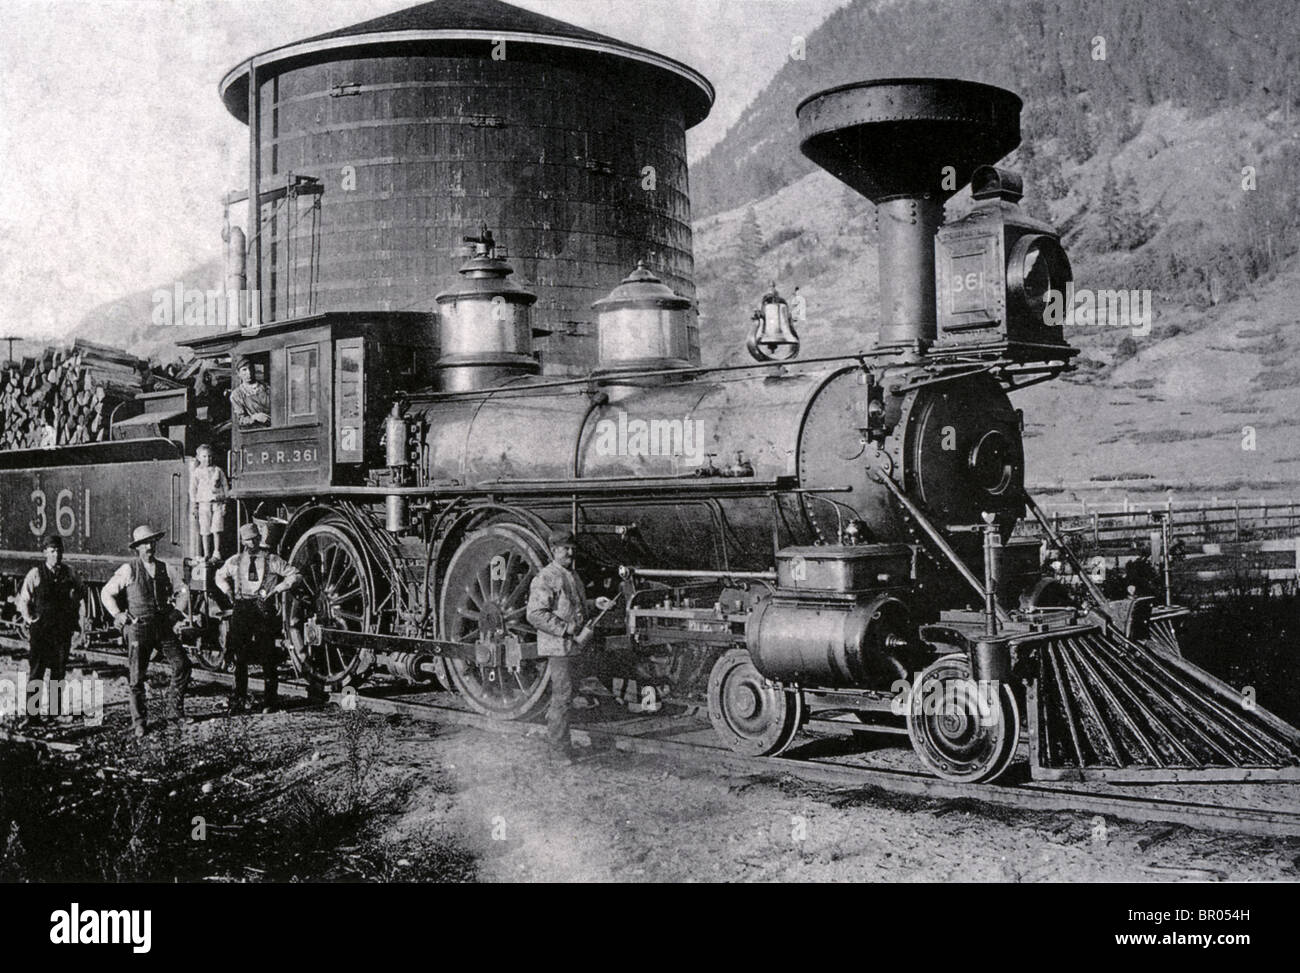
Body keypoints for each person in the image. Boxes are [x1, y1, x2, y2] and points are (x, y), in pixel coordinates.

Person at [525, 530, 613, 761]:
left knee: (569, 695)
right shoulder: (546, 577)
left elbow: (575, 606)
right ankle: (559, 752)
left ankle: (564, 745)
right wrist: (567, 629)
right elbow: (535, 614)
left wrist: (595, 603)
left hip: (573, 646)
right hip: (558, 647)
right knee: (562, 697)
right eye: (565, 549)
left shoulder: (571, 575)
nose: (570, 553)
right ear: (554, 551)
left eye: (572, 548)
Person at [101, 525, 191, 739]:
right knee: (136, 676)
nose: (149, 547)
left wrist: (178, 611)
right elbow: (107, 592)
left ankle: (174, 712)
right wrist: (118, 615)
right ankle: (139, 722)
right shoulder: (129, 569)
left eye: (152, 542)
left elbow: (184, 590)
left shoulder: (166, 568)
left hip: (162, 627)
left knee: (182, 664)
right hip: (139, 628)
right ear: (138, 548)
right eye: (144, 544)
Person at [214, 522, 301, 714]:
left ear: (259, 539)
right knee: (239, 656)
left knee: (268, 656)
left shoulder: (271, 560)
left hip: (263, 610)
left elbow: (294, 574)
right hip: (242, 609)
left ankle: (270, 701)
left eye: (254, 538)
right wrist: (228, 590)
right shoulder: (235, 561)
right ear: (242, 541)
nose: (251, 542)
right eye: (247, 539)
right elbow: (219, 576)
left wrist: (277, 589)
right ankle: (239, 700)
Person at [14, 536, 84, 725]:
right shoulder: (35, 573)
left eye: (59, 551)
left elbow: (80, 594)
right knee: (37, 672)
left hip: (62, 632)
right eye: (52, 551)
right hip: (41, 632)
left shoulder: (70, 573)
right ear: (45, 553)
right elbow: (24, 600)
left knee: (58, 672)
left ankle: (55, 713)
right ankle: (33, 716)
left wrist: (77, 621)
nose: (56, 554)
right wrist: (29, 619)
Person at [189, 444, 229, 561]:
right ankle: (206, 553)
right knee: (205, 529)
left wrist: (225, 501)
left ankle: (216, 552)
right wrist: (194, 506)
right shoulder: (197, 472)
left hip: (217, 503)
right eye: (205, 456)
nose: (208, 459)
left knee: (216, 528)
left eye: (210, 456)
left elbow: (225, 486)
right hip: (203, 504)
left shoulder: (218, 470)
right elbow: (192, 489)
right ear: (199, 458)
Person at [230, 357, 270, 428]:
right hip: (255, 431)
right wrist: (255, 417)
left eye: (251, 368)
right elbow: (240, 420)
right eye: (244, 370)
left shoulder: (266, 387)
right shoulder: (237, 394)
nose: (249, 372)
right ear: (238, 373)